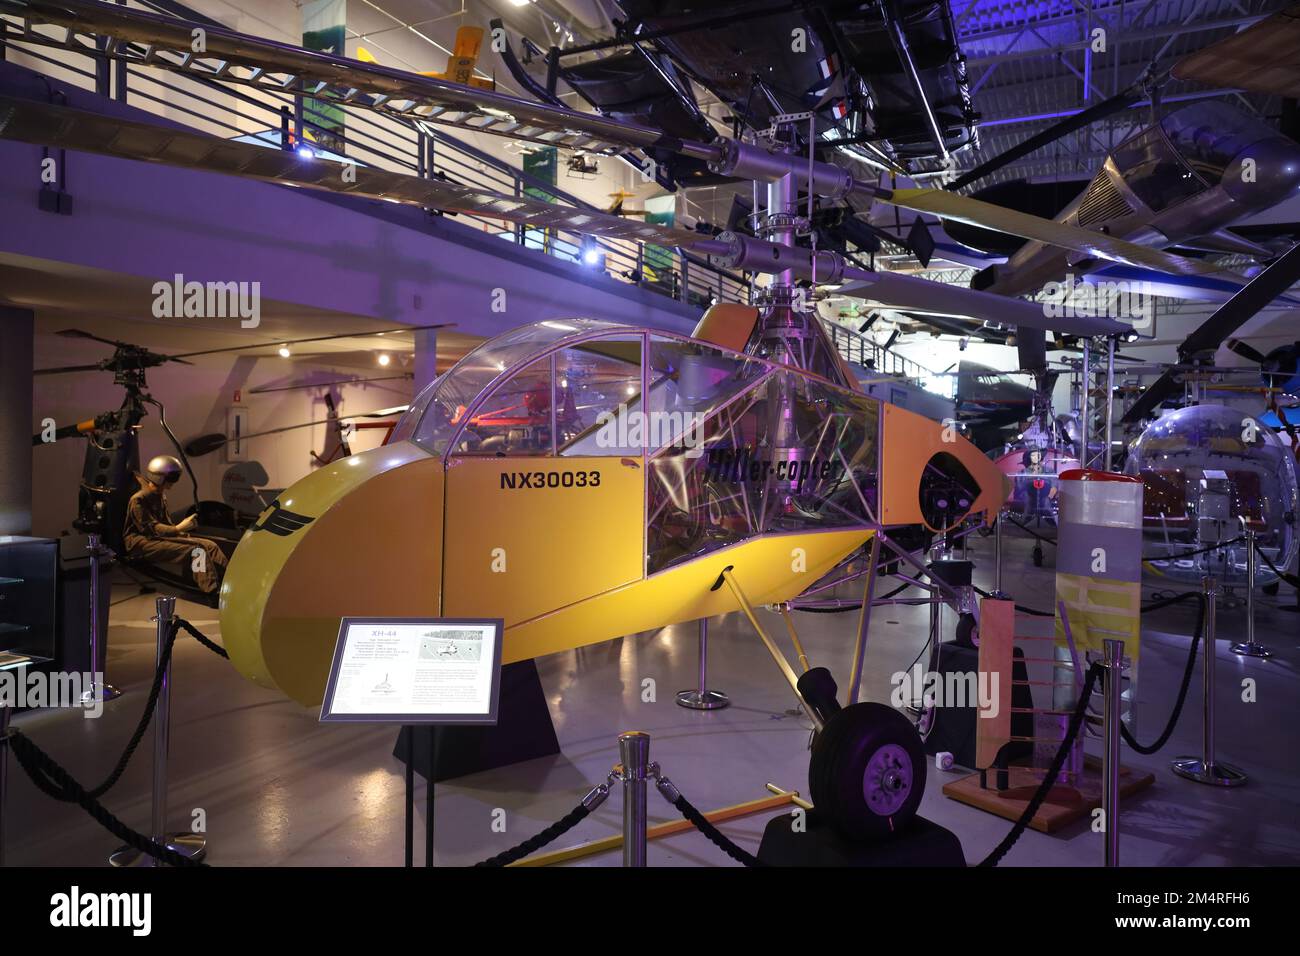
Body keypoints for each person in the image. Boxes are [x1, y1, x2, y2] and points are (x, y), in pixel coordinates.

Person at [123, 455, 227, 594]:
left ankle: (231, 580)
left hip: (157, 537)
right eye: (172, 478)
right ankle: (211, 590)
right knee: (197, 551)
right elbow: (150, 528)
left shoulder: (160, 495)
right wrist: (178, 528)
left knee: (210, 545)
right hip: (140, 542)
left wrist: (180, 532)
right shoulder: (139, 499)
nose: (174, 482)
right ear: (159, 477)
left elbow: (165, 523)